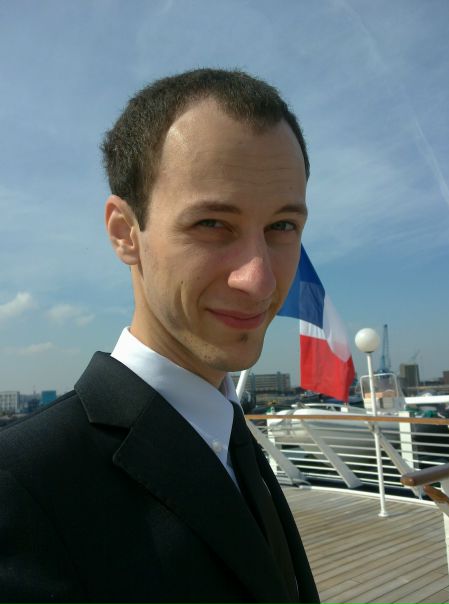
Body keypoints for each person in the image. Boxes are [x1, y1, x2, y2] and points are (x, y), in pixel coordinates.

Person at [0, 68, 319, 604]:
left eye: (282, 226)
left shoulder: (227, 432)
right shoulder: (22, 485)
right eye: (212, 224)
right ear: (125, 232)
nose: (260, 280)